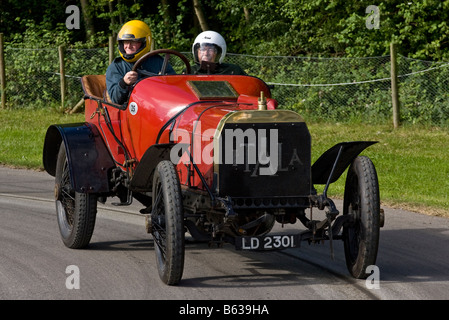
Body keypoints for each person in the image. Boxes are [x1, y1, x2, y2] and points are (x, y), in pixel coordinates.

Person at [106, 20, 175, 104]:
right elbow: (115, 99)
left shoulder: (159, 62)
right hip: (132, 111)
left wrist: (166, 80)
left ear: (144, 43)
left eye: (133, 42)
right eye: (125, 42)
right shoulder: (116, 66)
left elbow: (175, 88)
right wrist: (124, 83)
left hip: (158, 106)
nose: (128, 46)